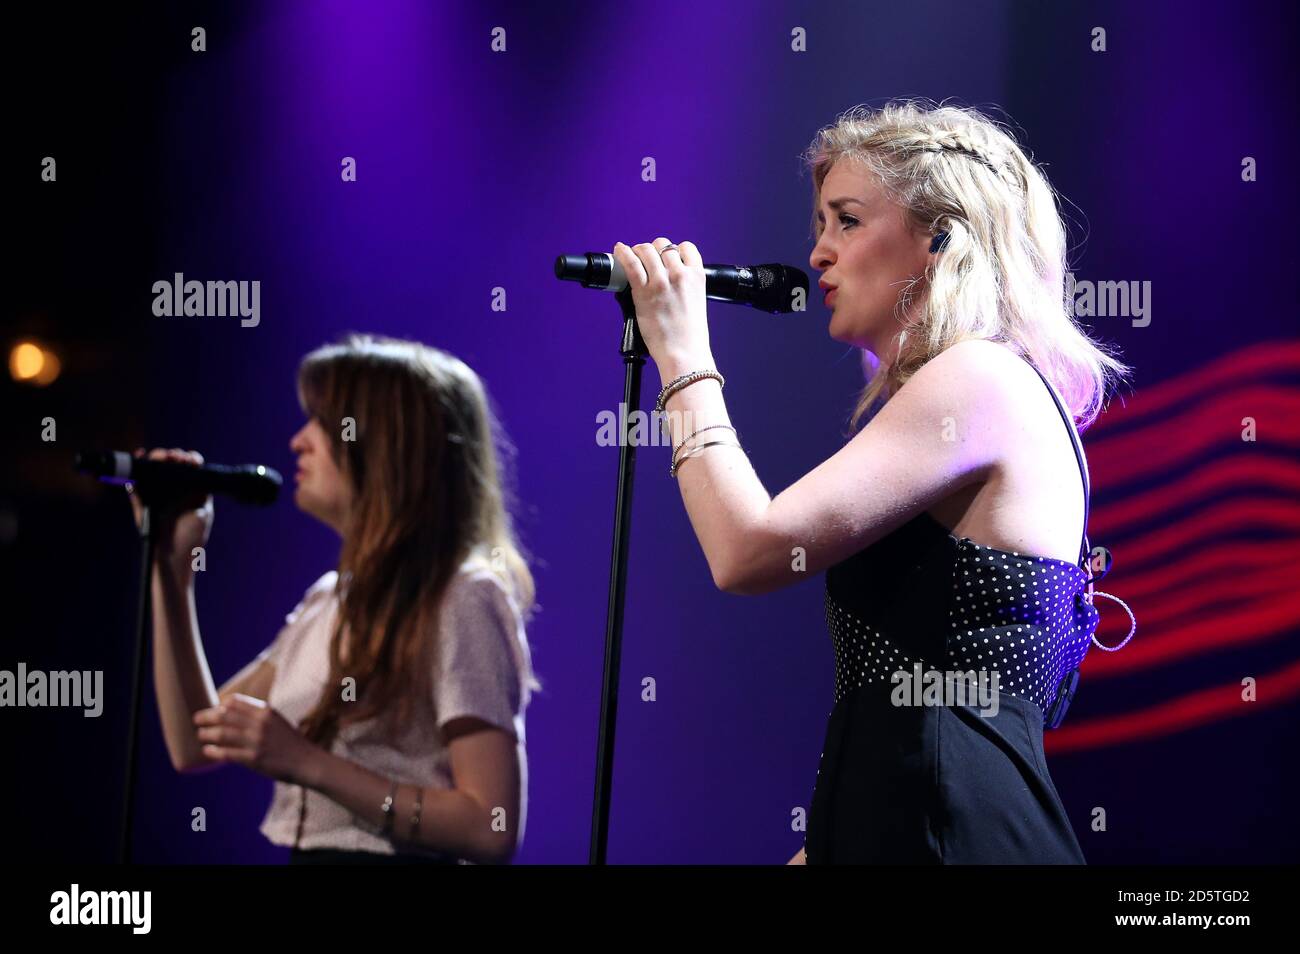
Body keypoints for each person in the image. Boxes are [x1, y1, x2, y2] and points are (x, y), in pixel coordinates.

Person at [611, 98, 1130, 864]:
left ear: (942, 238)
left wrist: (683, 356)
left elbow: (747, 548)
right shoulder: (973, 390)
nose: (818, 253)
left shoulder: (980, 380)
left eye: (847, 220)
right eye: (820, 224)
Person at [133, 334, 538, 864]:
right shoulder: (328, 600)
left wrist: (307, 762)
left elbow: (491, 827)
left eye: (322, 424)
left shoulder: (461, 597)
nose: (298, 441)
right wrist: (171, 570)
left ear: (384, 443)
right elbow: (195, 739)